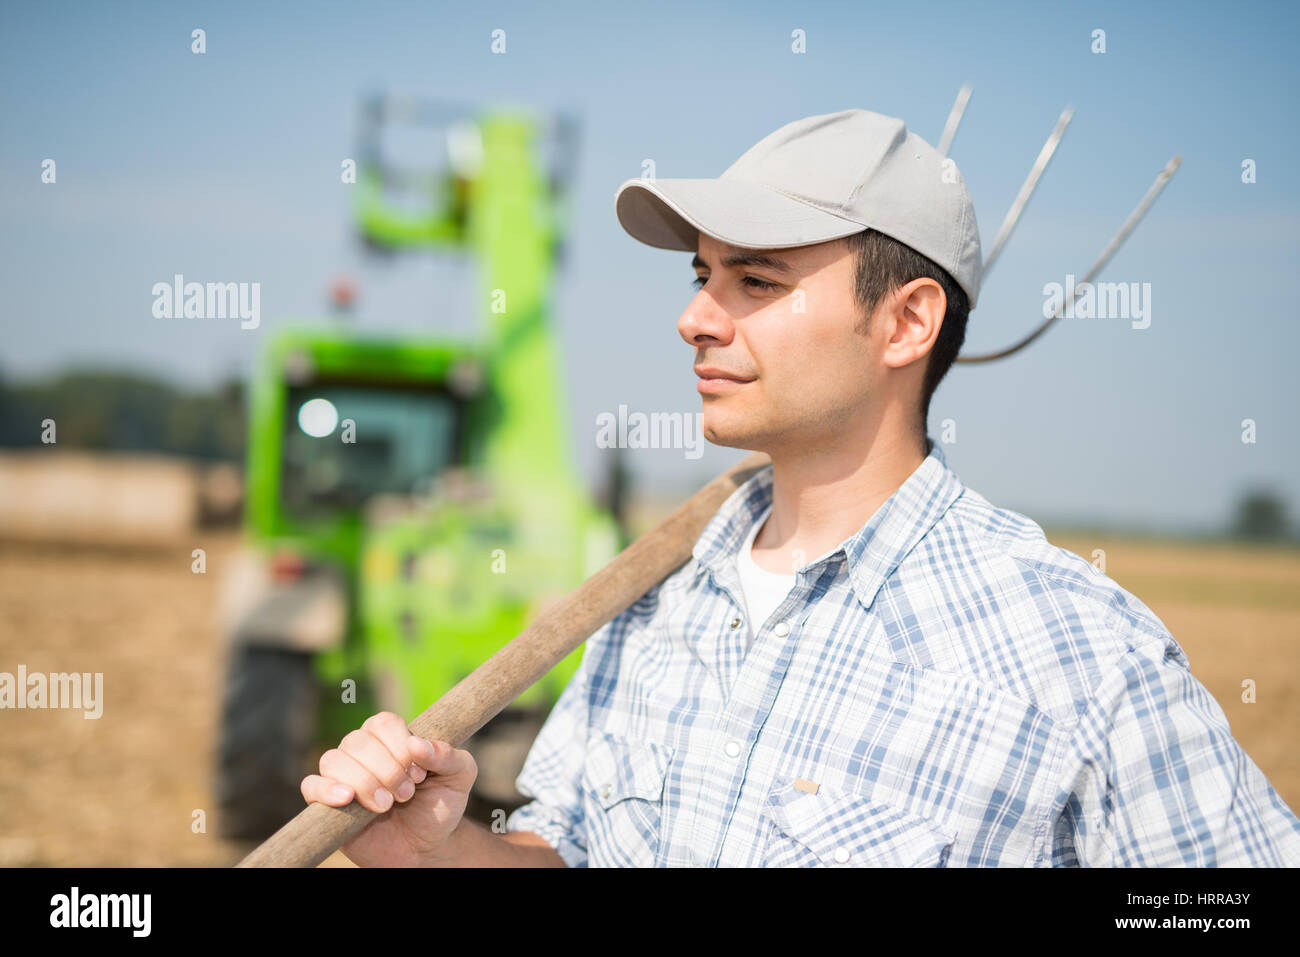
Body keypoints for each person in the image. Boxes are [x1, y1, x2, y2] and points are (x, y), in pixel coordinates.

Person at [300, 108, 1300, 867]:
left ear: (906, 324)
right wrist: (435, 848)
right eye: (699, 274)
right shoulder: (651, 602)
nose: (695, 317)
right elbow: (567, 856)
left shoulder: (1073, 652)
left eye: (756, 282)